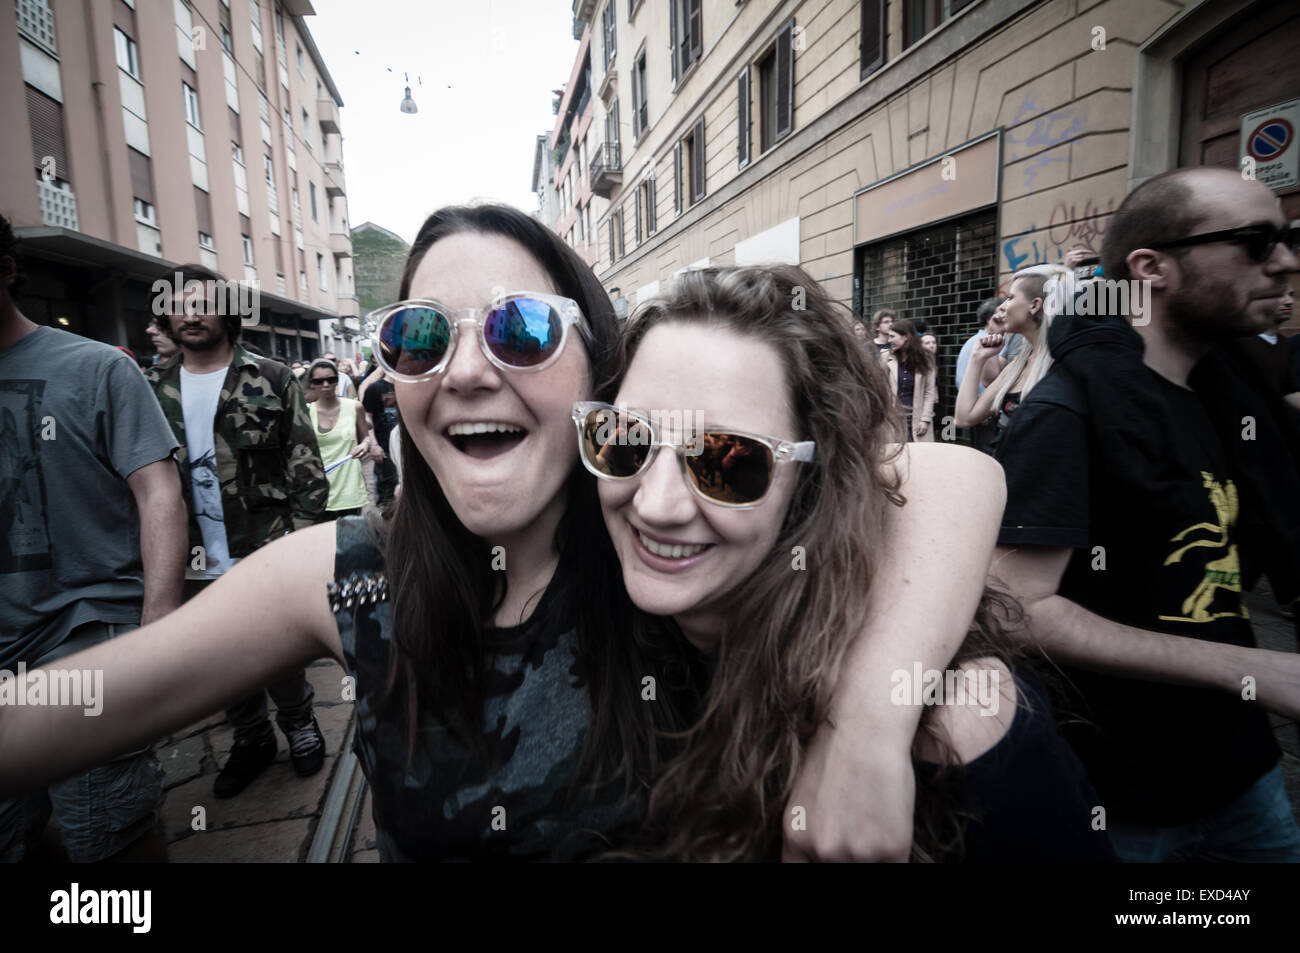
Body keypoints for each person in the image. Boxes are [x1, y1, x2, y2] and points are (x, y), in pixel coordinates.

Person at [0, 204, 1007, 862]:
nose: (468, 370)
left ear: (597, 368)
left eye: (520, 328)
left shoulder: (665, 552)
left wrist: (869, 716)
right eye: (420, 335)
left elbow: (946, 473)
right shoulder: (352, 576)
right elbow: (68, 708)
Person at [577, 265, 1111, 861]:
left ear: (814, 481)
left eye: (728, 461)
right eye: (625, 438)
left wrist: (867, 724)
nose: (655, 504)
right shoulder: (592, 600)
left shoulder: (956, 723)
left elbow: (951, 470)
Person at [993, 166, 1300, 861]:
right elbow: (1020, 609)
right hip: (1125, 800)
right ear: (1150, 267)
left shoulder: (1232, 397)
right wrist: (1257, 671)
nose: (1285, 261)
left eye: (1288, 238)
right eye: (1255, 242)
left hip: (1244, 776)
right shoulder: (1066, 412)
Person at [0, 214, 187, 862]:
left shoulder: (99, 368)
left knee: (109, 836)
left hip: (87, 641)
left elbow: (159, 489)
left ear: (7, 269)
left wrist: (155, 633)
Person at [147, 264, 329, 799]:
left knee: (279, 649)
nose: (192, 312)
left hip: (266, 546)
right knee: (222, 657)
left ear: (228, 312)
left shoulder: (272, 378)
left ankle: (299, 723)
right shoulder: (152, 390)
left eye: (204, 302)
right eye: (179, 303)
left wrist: (305, 549)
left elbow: (306, 468)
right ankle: (251, 739)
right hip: (194, 557)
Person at [954, 264, 1067, 451]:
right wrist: (977, 358)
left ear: (1035, 305)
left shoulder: (1062, 364)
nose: (1002, 307)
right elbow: (963, 417)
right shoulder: (1017, 365)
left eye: (1011, 298)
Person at [305, 358, 371, 518]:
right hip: (320, 488)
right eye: (319, 381)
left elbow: (366, 439)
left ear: (338, 380)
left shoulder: (354, 407)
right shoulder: (306, 412)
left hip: (350, 487)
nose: (326, 385)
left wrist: (364, 446)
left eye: (331, 379)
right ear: (312, 383)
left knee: (350, 539)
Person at [955, 298, 1009, 454]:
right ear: (990, 319)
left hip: (976, 411)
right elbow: (990, 379)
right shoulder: (991, 343)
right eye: (1001, 311)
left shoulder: (972, 341)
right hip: (985, 414)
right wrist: (981, 407)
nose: (1005, 313)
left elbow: (961, 380)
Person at [881, 317, 937, 442]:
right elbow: (881, 388)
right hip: (893, 421)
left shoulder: (926, 358)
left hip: (917, 421)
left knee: (918, 457)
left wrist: (925, 419)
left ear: (905, 337)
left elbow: (929, 391)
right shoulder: (885, 357)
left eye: (892, 336)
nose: (889, 340)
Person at [361, 365, 399, 506]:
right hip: (385, 447)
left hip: (408, 448)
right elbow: (367, 418)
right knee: (387, 490)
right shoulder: (375, 388)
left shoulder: (408, 386)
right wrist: (374, 445)